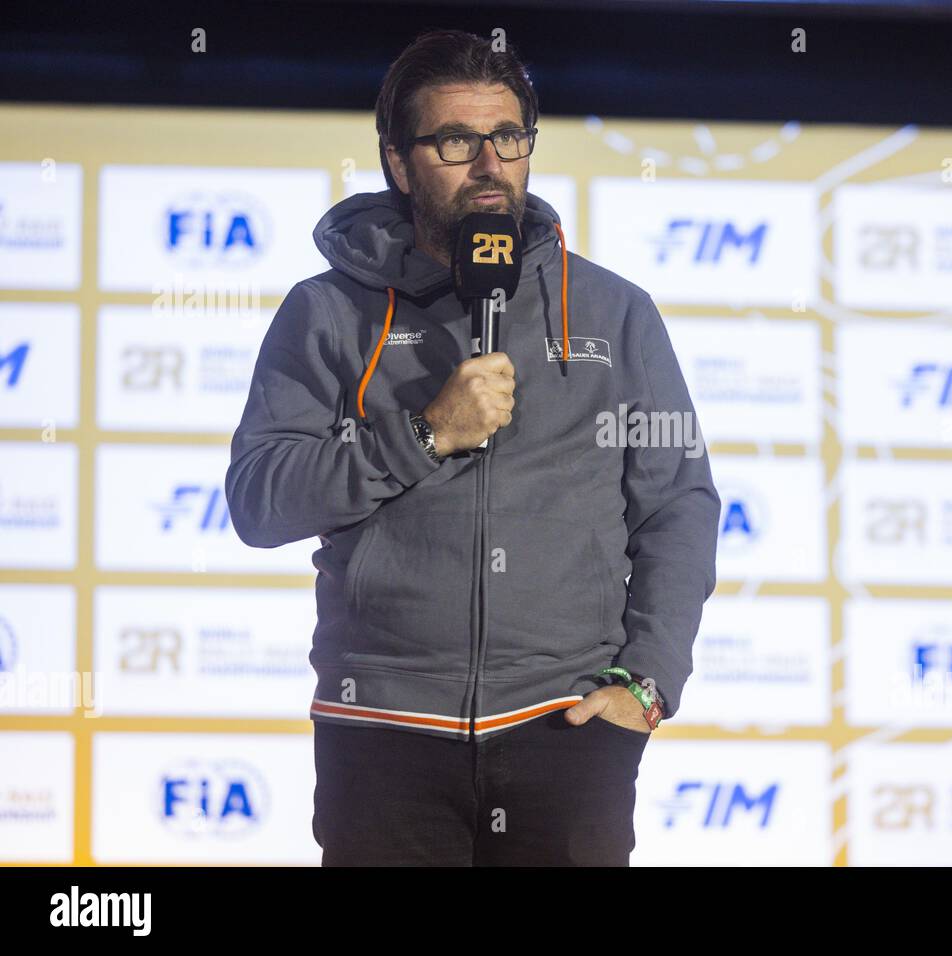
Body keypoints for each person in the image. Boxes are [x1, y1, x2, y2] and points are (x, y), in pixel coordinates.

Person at [224, 28, 720, 865]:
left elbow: (679, 505)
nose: (489, 165)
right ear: (397, 160)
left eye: (509, 138)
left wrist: (647, 683)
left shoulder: (613, 312)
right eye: (456, 141)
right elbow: (261, 501)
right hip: (380, 732)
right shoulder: (327, 314)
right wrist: (424, 434)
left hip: (566, 730)